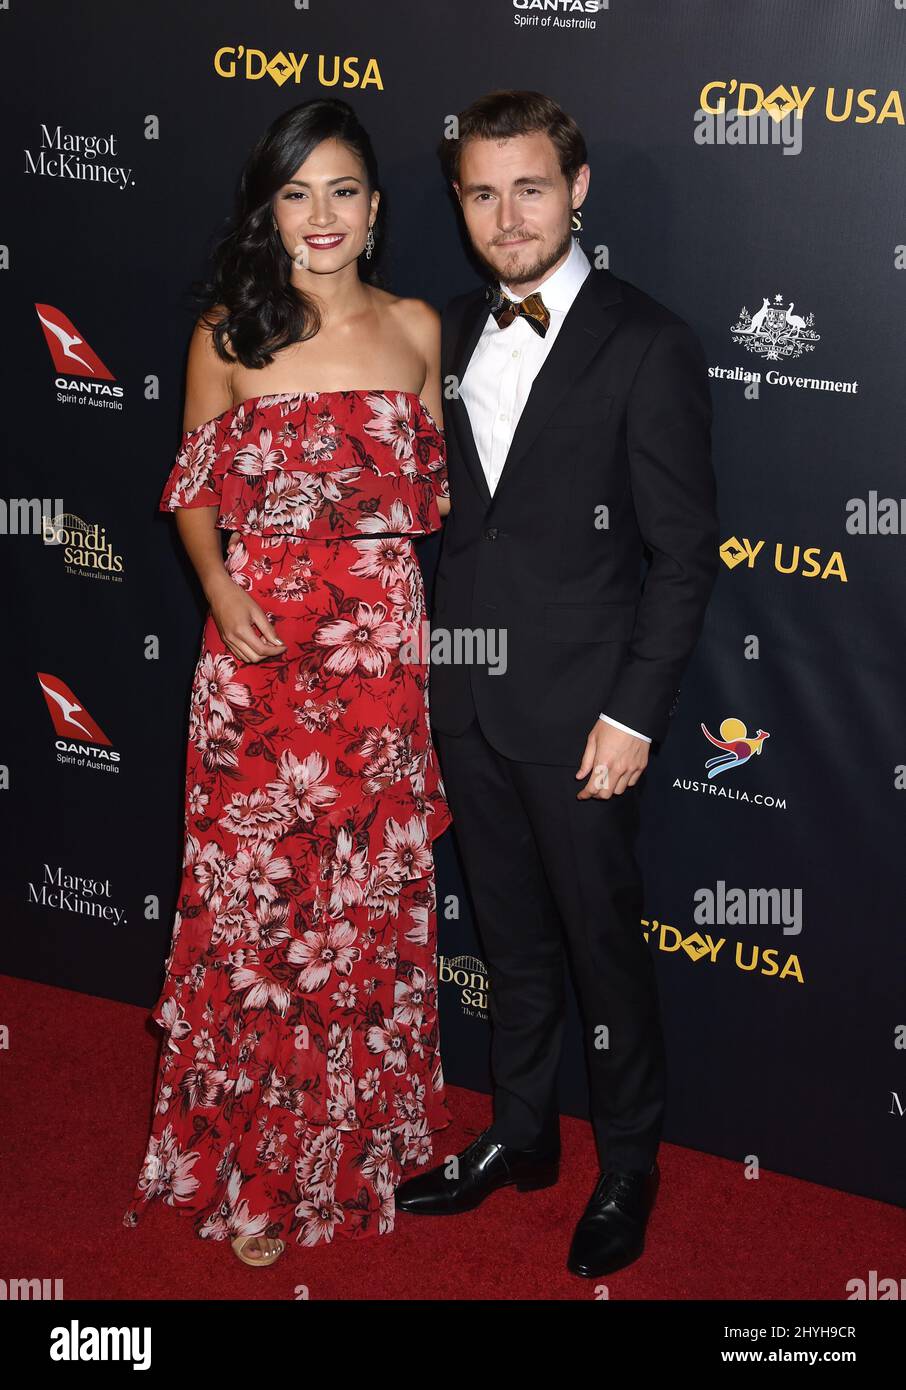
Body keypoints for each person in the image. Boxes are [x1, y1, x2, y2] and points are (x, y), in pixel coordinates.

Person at [394, 90, 720, 1279]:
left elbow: (684, 556)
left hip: (588, 718)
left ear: (577, 191)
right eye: (481, 192)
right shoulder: (453, 332)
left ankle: (628, 1162)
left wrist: (633, 712)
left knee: (603, 953)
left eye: (529, 186)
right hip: (470, 702)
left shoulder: (648, 341)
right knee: (513, 942)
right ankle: (520, 1137)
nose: (506, 214)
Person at [122, 97, 452, 1267]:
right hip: (258, 662)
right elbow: (193, 487)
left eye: (343, 190)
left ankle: (355, 1142)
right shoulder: (227, 334)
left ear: (376, 208)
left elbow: (429, 499)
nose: (320, 216)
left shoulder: (419, 328)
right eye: (296, 192)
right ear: (270, 208)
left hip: (377, 672)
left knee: (358, 908)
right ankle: (254, 1165)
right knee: (259, 910)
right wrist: (217, 590)